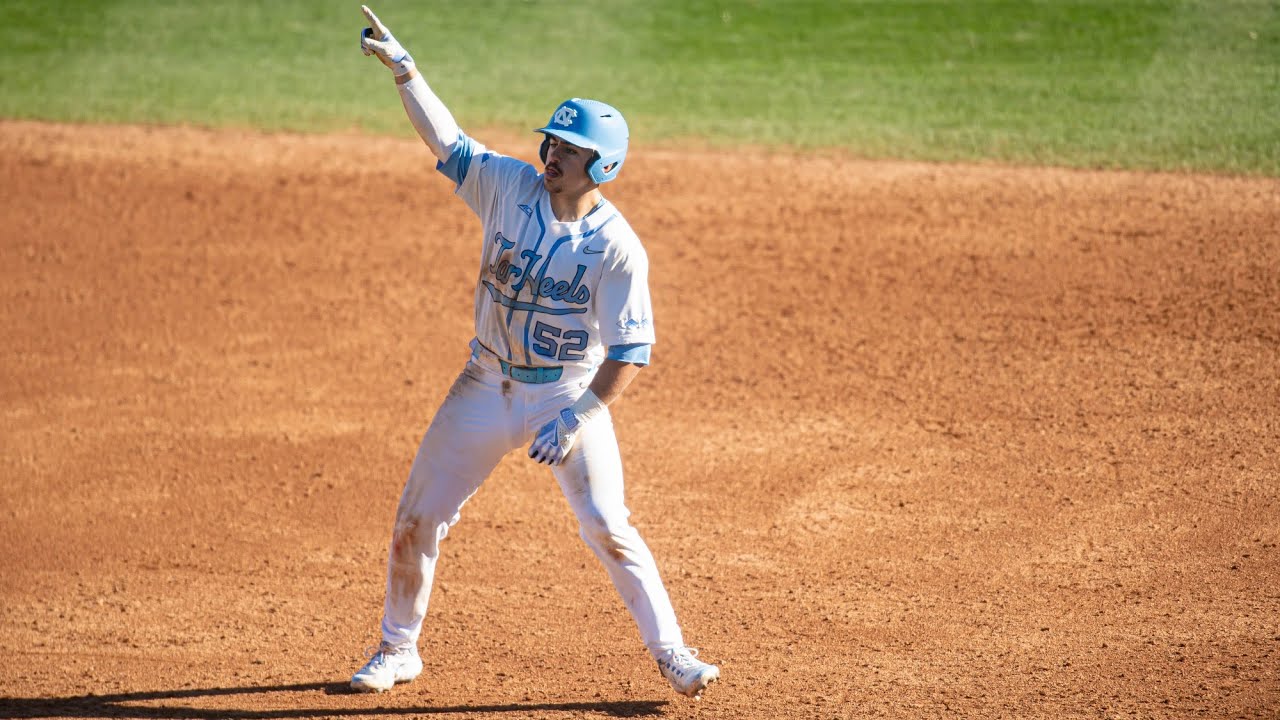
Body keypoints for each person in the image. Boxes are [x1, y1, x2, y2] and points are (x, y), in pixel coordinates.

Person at [349, 5, 721, 701]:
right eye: (551, 141)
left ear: (600, 164)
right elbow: (451, 143)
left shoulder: (615, 248)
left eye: (568, 149)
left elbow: (631, 351)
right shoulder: (509, 188)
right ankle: (398, 649)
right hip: (484, 385)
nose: (552, 154)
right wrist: (407, 74)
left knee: (608, 526)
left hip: (564, 393)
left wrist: (578, 415)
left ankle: (672, 654)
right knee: (416, 519)